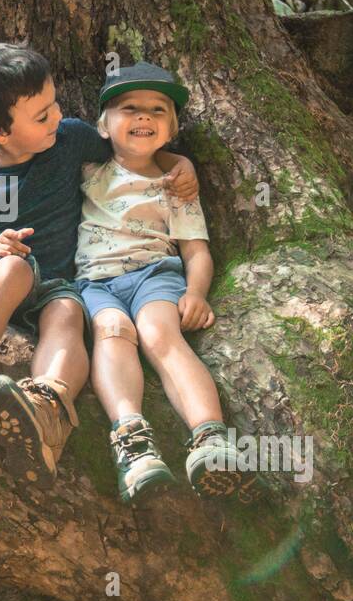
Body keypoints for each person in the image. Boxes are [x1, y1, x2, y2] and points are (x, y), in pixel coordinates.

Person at [0, 43, 198, 489]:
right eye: (41, 116)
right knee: (15, 269)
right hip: (0, 277)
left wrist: (179, 162)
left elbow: (130, 150)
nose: (57, 117)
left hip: (59, 284)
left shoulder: (69, 139)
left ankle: (47, 410)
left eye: (54, 105)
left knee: (67, 314)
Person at [75, 61, 253, 502]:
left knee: (159, 334)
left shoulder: (176, 185)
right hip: (95, 284)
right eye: (129, 107)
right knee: (112, 333)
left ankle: (211, 437)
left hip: (154, 276)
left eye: (158, 110)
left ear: (171, 128)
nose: (143, 117)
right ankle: (132, 442)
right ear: (103, 124)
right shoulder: (86, 171)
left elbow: (196, 250)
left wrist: (196, 292)